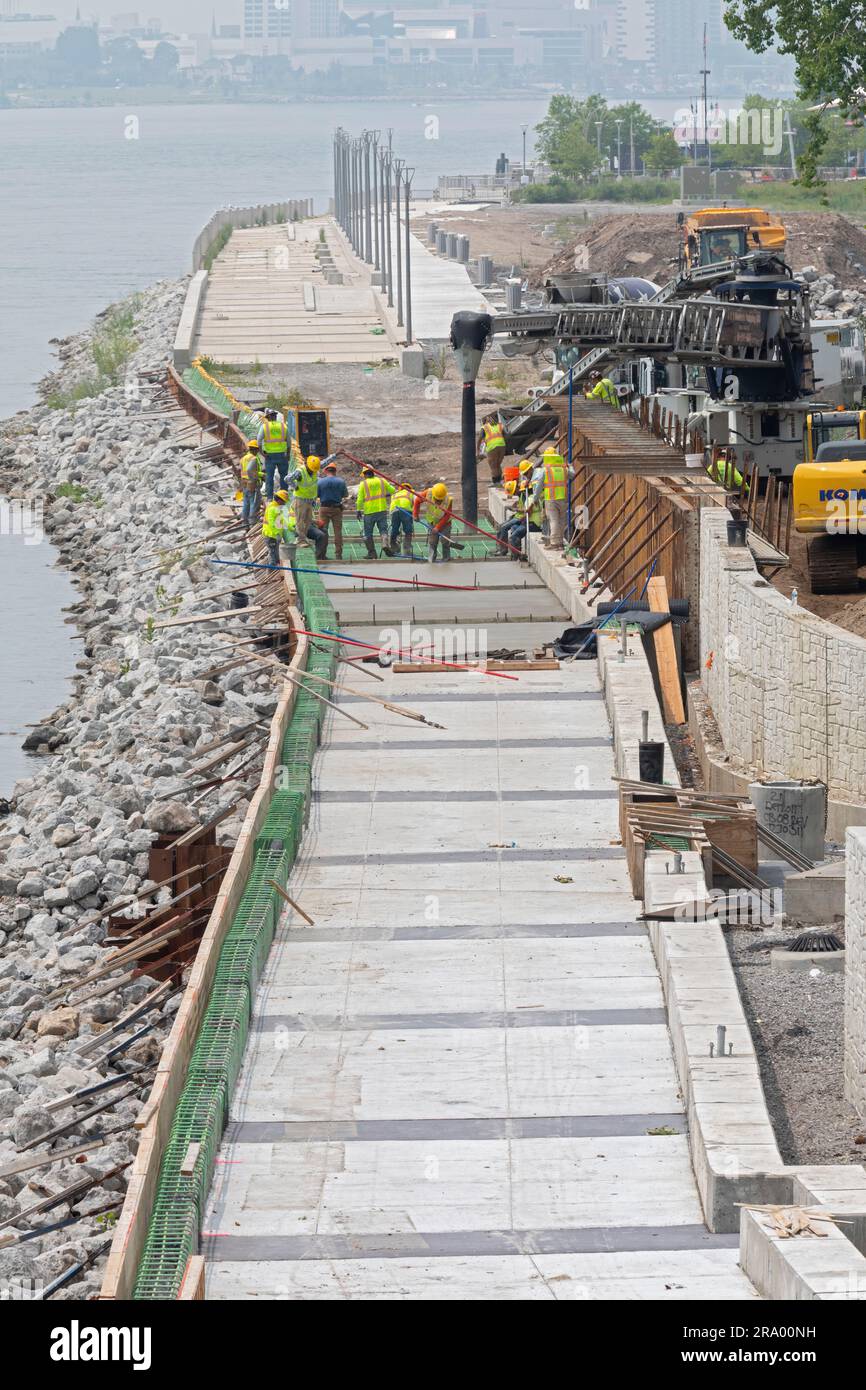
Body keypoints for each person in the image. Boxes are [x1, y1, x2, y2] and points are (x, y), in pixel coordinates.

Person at [532, 445, 574, 550]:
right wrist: (570, 466)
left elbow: (539, 486)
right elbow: (573, 475)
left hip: (551, 499)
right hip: (563, 498)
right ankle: (560, 542)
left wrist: (535, 499)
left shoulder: (545, 470)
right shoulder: (563, 468)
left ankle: (555, 543)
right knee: (561, 520)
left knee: (553, 520)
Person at [356, 465, 395, 559]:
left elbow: (360, 499)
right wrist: (385, 493)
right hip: (381, 510)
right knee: (383, 530)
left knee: (368, 533)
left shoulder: (363, 484)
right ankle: (385, 544)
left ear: (365, 474)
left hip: (369, 512)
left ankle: (372, 553)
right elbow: (393, 490)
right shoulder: (382, 481)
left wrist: (358, 510)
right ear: (373, 472)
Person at [413, 481, 454, 563]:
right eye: (436, 499)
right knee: (432, 541)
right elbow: (417, 500)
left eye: (440, 500)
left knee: (445, 541)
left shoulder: (448, 500)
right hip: (432, 522)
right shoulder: (428, 493)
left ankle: (446, 559)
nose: (438, 502)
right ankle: (432, 559)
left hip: (445, 523)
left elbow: (447, 516)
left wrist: (438, 527)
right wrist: (415, 515)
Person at [317, 460, 348, 562]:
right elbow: (345, 495)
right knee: (338, 532)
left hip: (324, 508)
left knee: (323, 531)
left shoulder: (320, 481)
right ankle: (338, 554)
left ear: (326, 471)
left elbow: (317, 494)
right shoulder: (341, 481)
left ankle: (322, 554)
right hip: (336, 508)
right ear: (335, 471)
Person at [288, 454, 321, 544]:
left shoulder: (314, 468)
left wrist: (335, 455)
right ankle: (300, 540)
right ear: (307, 465)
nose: (312, 471)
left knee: (308, 520)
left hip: (310, 500)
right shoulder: (300, 472)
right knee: (300, 520)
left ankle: (304, 537)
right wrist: (295, 487)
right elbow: (287, 479)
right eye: (311, 469)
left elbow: (324, 462)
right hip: (300, 500)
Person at [257, 409, 289, 499]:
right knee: (284, 476)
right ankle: (284, 496)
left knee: (269, 477)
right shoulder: (283, 426)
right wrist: (288, 454)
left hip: (270, 456)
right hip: (282, 455)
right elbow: (289, 442)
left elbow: (259, 441)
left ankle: (270, 497)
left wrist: (261, 452)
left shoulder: (265, 427)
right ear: (275, 416)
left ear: (268, 417)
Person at [262, 488, 291, 567]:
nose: (285, 503)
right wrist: (277, 533)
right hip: (270, 535)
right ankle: (272, 567)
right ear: (279, 500)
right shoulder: (272, 508)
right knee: (272, 551)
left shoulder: (277, 507)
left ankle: (276, 564)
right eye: (284, 501)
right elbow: (272, 523)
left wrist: (291, 528)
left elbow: (282, 520)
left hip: (274, 534)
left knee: (275, 551)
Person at [389, 478, 417, 558]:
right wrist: (414, 514)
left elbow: (391, 505)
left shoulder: (395, 494)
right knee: (408, 531)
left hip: (394, 511)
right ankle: (407, 551)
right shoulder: (411, 492)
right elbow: (416, 502)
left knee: (394, 530)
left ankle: (394, 548)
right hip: (406, 511)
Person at [239, 439, 263, 528]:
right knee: (254, 503)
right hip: (252, 484)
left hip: (244, 483)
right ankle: (252, 524)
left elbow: (242, 471)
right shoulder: (254, 458)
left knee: (246, 503)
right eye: (257, 450)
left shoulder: (243, 458)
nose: (258, 452)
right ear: (255, 449)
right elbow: (250, 470)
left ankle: (245, 523)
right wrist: (261, 475)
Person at [479, 414, 506, 484]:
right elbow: (504, 435)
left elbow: (479, 439)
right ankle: (501, 481)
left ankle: (496, 482)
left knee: (493, 466)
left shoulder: (484, 427)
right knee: (497, 464)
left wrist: (477, 450)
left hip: (492, 447)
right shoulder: (499, 425)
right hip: (502, 445)